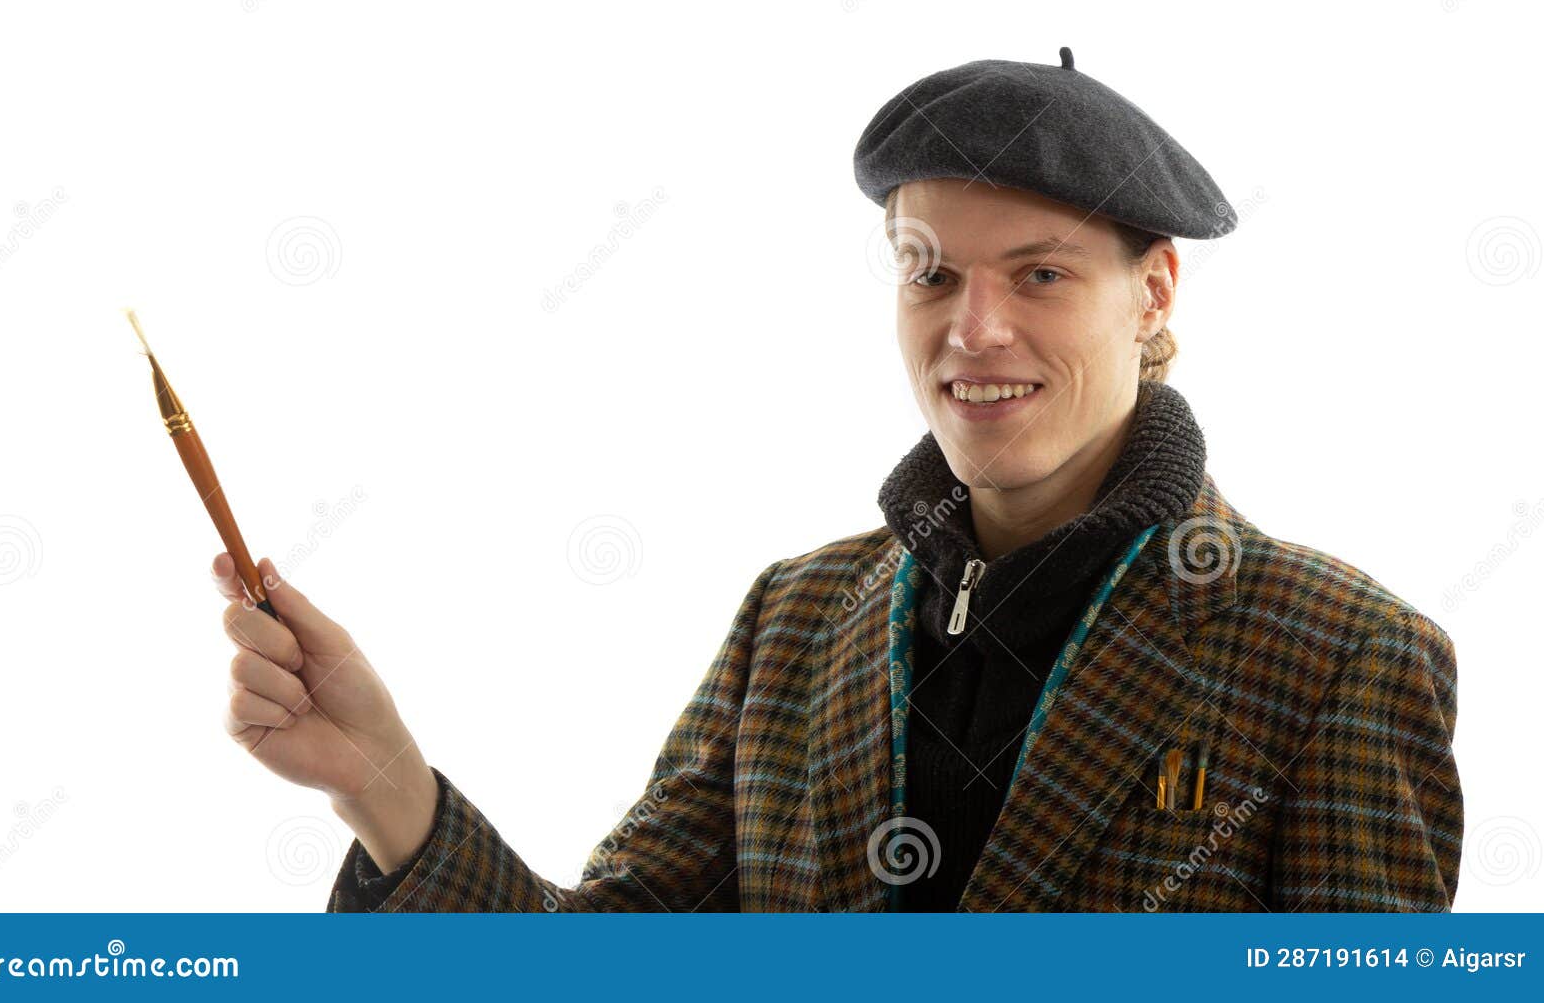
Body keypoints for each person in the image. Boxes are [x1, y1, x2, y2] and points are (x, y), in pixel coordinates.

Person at [215, 49, 1462, 911]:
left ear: (1153, 292)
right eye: (929, 274)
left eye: (1039, 274)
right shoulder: (795, 621)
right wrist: (385, 783)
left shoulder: (1341, 654)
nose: (971, 330)